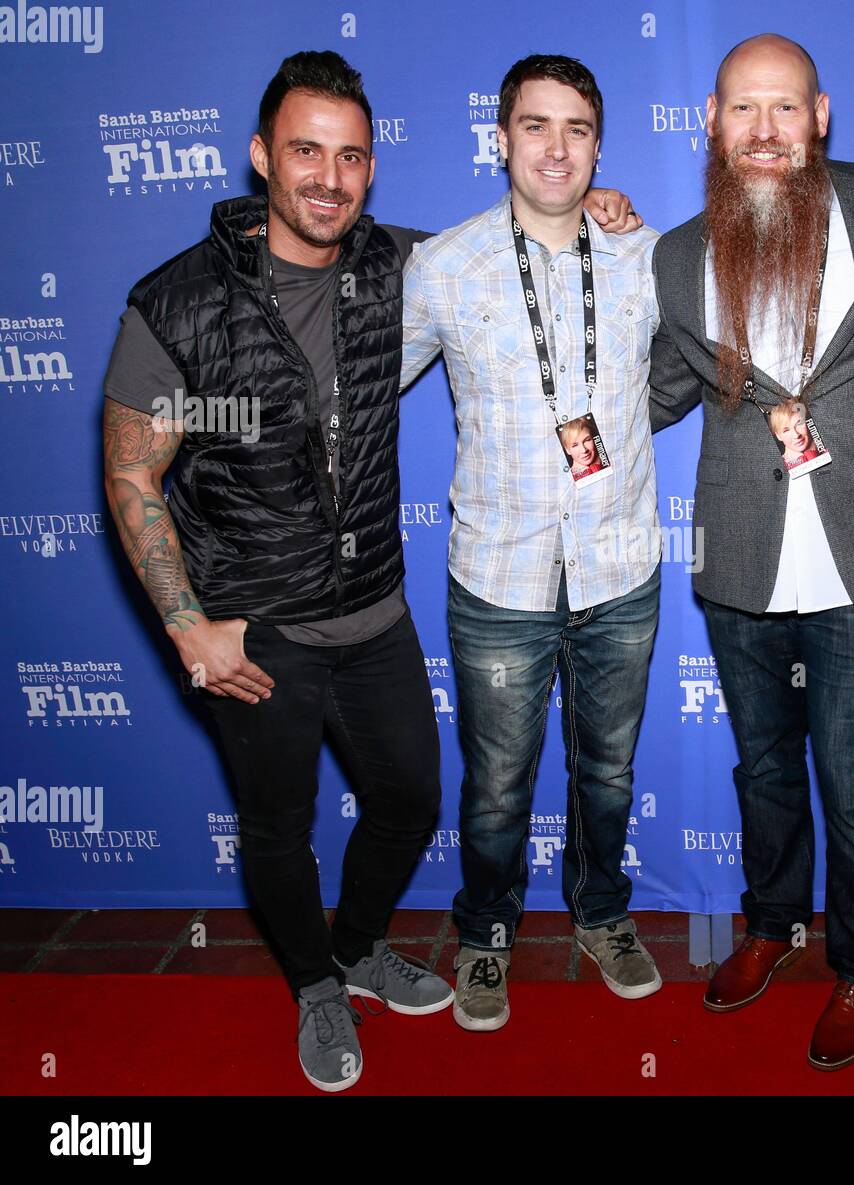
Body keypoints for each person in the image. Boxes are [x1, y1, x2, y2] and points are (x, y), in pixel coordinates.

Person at [102, 50, 637, 1092]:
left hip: (372, 610)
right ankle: (314, 985)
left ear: (370, 170)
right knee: (277, 826)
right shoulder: (176, 302)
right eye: (306, 151)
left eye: (350, 156)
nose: (328, 177)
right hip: (255, 628)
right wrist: (186, 625)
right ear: (262, 157)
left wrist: (592, 205)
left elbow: (513, 247)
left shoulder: (399, 265)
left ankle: (353, 947)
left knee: (409, 803)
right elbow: (130, 470)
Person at [649, 33, 854, 1071]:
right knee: (765, 767)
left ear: (820, 115)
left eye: (785, 109)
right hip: (741, 551)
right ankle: (772, 925)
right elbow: (652, 389)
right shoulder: (677, 254)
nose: (766, 132)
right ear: (712, 123)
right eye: (743, 110)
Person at [402, 54, 663, 1034]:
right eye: (536, 126)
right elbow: (364, 384)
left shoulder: (643, 256)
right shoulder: (445, 266)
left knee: (607, 774)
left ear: (599, 144)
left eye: (577, 129)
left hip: (618, 569)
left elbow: (706, 371)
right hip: (498, 576)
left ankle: (601, 915)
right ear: (500, 138)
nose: (557, 148)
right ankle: (486, 936)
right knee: (499, 784)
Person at [769, 400, 820, 468]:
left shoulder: (828, 448)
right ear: (778, 436)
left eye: (799, 424)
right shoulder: (776, 466)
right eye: (786, 430)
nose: (796, 435)